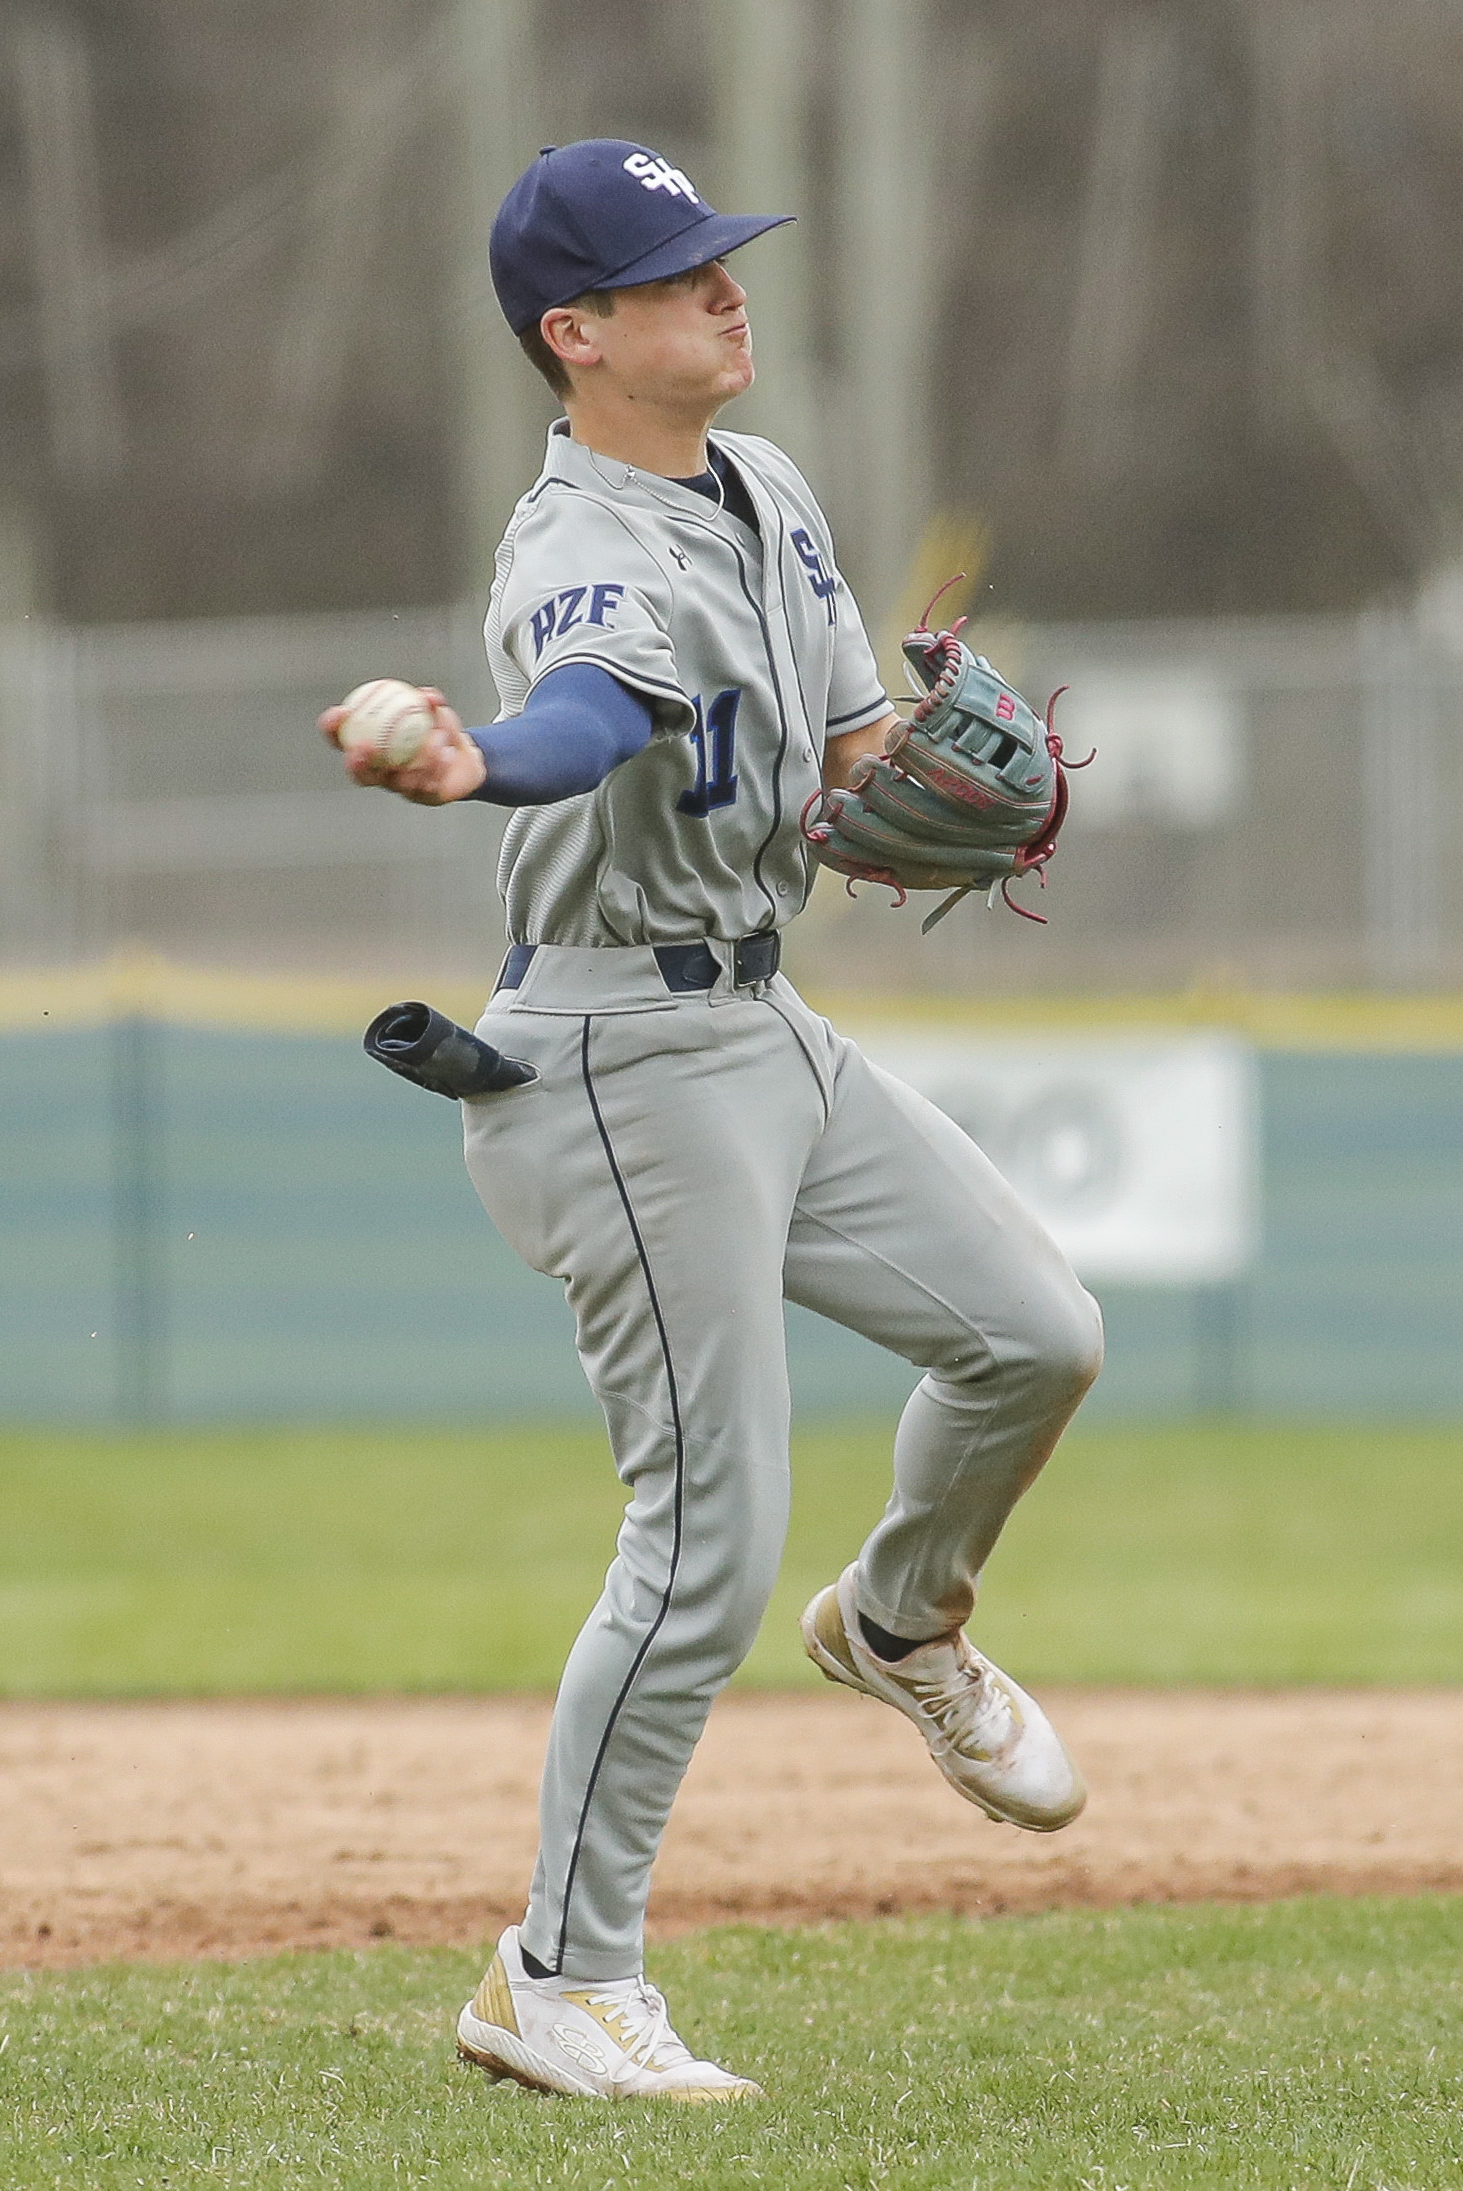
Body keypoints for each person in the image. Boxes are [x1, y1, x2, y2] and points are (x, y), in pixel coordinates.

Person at [321, 139, 1103, 2104]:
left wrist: (913, 760)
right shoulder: (581, 546)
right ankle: (554, 1977)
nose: (725, 297)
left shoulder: (762, 485)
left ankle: (903, 1623)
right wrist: (467, 761)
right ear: (574, 335)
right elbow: (584, 713)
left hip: (756, 1026)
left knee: (1034, 1335)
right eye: (675, 281)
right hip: (610, 1066)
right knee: (699, 1546)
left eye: (721, 267)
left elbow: (844, 748)